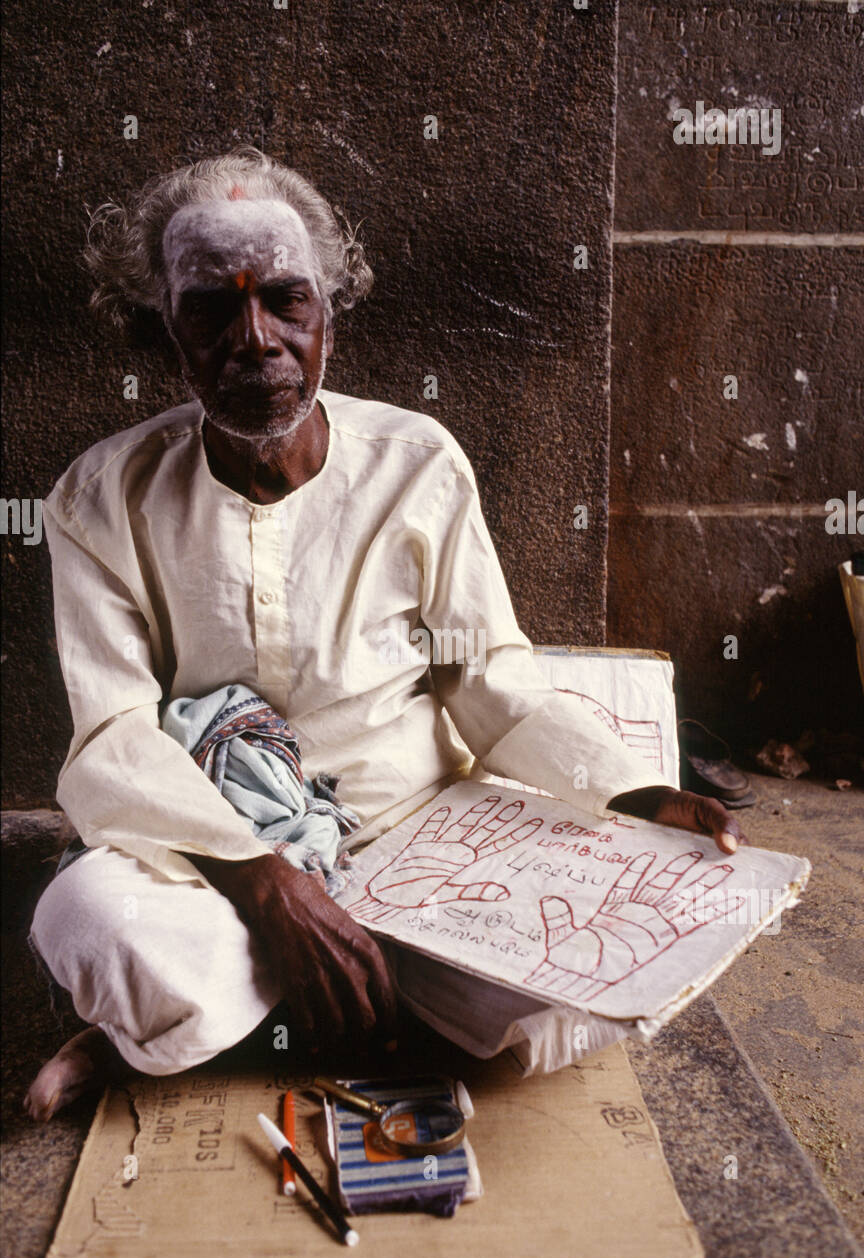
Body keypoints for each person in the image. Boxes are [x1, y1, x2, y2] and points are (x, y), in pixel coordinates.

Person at [25, 147, 743, 1119]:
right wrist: (267, 883)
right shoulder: (101, 498)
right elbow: (112, 736)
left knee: (605, 957)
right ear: (164, 328)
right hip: (224, 860)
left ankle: (197, 1028)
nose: (256, 341)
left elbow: (488, 678)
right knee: (86, 914)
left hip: (416, 840)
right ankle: (339, 994)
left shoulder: (416, 464)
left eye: (286, 300)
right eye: (212, 310)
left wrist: (635, 793)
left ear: (329, 313)